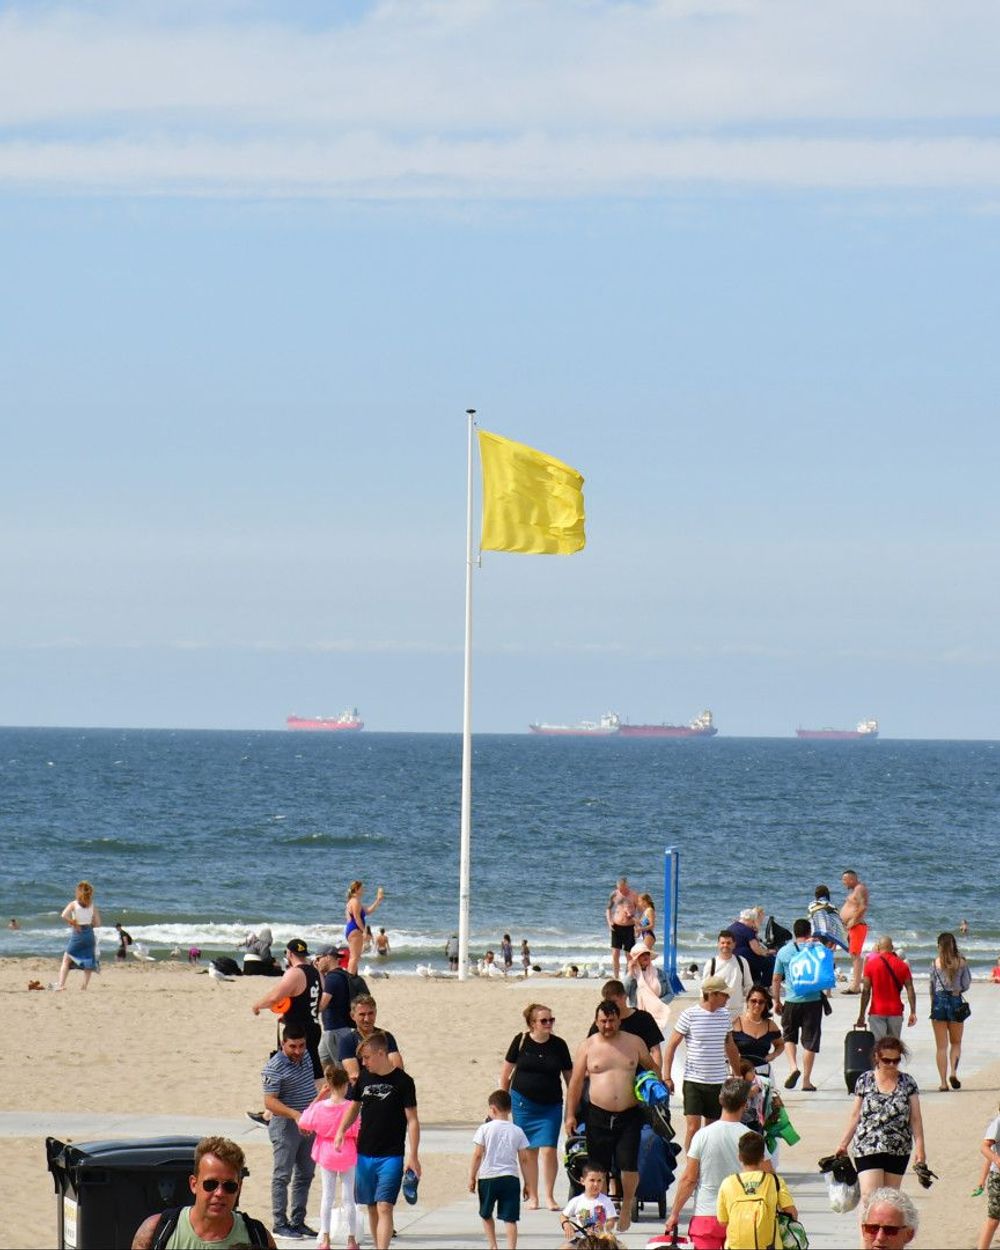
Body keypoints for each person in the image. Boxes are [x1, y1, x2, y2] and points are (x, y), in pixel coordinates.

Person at [564, 1000, 659, 1232]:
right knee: (599, 1169)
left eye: (612, 1020)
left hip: (629, 1114)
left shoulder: (634, 1043)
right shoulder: (587, 1046)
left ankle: (626, 1204)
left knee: (628, 1166)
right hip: (597, 1114)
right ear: (596, 1021)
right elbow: (575, 1084)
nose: (608, 1025)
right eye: (603, 1021)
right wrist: (570, 1116)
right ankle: (603, 1213)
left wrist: (654, 1084)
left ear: (619, 1020)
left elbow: (653, 1068)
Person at [333, 1031, 421, 1250]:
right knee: (371, 1206)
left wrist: (414, 1156)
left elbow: (412, 1120)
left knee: (385, 1206)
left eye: (367, 1058)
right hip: (364, 1153)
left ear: (381, 1053)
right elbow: (354, 1107)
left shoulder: (404, 1081)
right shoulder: (363, 1078)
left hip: (391, 1155)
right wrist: (341, 1130)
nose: (363, 1063)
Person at [130, 1135, 275, 1249]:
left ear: (239, 1188)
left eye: (229, 1186)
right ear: (194, 1184)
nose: (219, 1193)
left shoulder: (257, 1237)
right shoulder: (155, 1232)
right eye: (210, 1184)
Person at [663, 1077, 759, 1250]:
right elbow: (768, 1178)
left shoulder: (702, 1136)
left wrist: (675, 1213)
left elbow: (689, 1180)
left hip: (707, 1216)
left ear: (720, 1100)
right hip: (742, 1216)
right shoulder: (752, 1138)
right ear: (745, 1104)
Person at [500, 1002, 573, 1210]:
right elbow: (505, 1075)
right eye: (544, 1020)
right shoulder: (521, 1041)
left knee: (549, 1149)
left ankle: (549, 1195)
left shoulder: (559, 1044)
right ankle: (533, 1195)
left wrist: (573, 1105)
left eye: (551, 1020)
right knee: (528, 1150)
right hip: (523, 1103)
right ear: (532, 1023)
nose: (549, 1023)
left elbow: (570, 1077)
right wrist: (503, 1104)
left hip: (551, 1105)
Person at [836, 1036, 926, 1201]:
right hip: (867, 1145)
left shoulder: (908, 1082)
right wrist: (843, 1144)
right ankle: (865, 1227)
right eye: (886, 1060)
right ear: (877, 1057)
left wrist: (920, 1148)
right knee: (869, 1197)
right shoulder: (865, 1080)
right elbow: (855, 1114)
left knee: (890, 1200)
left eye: (896, 1060)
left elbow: (915, 1118)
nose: (891, 1065)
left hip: (898, 1147)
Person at [662, 974, 742, 1151]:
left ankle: (707, 1162)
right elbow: (671, 1046)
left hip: (718, 1081)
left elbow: (731, 1046)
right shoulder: (690, 1015)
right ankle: (692, 1165)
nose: (728, 998)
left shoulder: (724, 1016)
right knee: (693, 1128)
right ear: (712, 994)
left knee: (712, 1128)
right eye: (724, 994)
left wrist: (737, 1074)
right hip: (693, 1081)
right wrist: (667, 1076)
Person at [260, 1023, 318, 1240]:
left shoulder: (307, 1056)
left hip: (308, 1123)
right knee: (282, 1175)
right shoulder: (273, 1067)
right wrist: (294, 1114)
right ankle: (280, 1223)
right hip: (285, 1125)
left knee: (305, 1174)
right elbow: (269, 1102)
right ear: (283, 1043)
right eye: (293, 1046)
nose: (298, 1051)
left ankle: (298, 1221)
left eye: (302, 1045)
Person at [298, 1063, 360, 1250]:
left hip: (326, 1151)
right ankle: (352, 1239)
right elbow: (357, 1130)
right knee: (349, 1197)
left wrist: (319, 1096)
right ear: (344, 1085)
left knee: (327, 1196)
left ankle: (325, 1237)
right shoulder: (351, 1107)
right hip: (347, 1150)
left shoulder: (320, 1107)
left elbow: (304, 1121)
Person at [251, 938, 323, 1085]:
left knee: (290, 1071)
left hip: (298, 1032)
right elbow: (311, 1000)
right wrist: (287, 1014)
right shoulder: (317, 973)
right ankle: (319, 1103)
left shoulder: (295, 973)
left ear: (289, 954)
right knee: (313, 1068)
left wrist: (257, 1006)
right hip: (314, 1026)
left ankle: (284, 1105)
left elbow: (274, 998)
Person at [469, 1088, 530, 1250]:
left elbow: (477, 1155)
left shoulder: (484, 1129)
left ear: (493, 1109)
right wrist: (528, 1183)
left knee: (486, 1213)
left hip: (488, 1176)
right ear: (510, 1109)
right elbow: (524, 1159)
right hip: (510, 1177)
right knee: (510, 1218)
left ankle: (493, 1245)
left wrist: (471, 1177)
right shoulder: (517, 1131)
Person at [716, 1130, 796, 1250]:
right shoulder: (775, 1181)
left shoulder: (728, 1183)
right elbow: (792, 1213)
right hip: (770, 1245)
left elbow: (722, 1221)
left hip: (736, 1246)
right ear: (763, 1157)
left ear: (740, 1157)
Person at [772, 919, 826, 1092]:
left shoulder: (784, 951)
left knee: (789, 1036)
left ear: (794, 933)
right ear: (809, 932)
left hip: (792, 1000)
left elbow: (776, 978)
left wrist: (776, 1000)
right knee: (810, 1041)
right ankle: (806, 1081)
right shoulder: (816, 948)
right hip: (813, 1001)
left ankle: (793, 1067)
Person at [587, 978, 665, 1071]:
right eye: (608, 1002)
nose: (611, 1006)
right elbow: (589, 1050)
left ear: (624, 997)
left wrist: (655, 1078)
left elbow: (655, 1051)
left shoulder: (644, 1019)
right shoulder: (603, 1022)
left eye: (614, 1002)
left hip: (640, 1076)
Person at [930, 929, 971, 1090]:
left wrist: (933, 1003)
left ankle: (942, 1083)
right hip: (955, 1001)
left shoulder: (935, 963)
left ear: (939, 946)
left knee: (941, 1046)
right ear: (954, 944)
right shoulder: (961, 962)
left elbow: (932, 986)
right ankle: (953, 1072)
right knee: (956, 1042)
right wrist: (958, 990)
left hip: (939, 1002)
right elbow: (966, 983)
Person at [316, 945, 368, 1068]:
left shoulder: (332, 978)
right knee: (324, 1062)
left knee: (343, 1068)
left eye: (318, 959)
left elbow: (321, 1006)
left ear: (328, 957)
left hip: (335, 1030)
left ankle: (347, 1087)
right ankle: (330, 1086)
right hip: (338, 1028)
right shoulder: (342, 974)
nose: (316, 962)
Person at [857, 936, 917, 1041]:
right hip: (895, 1012)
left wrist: (861, 1015)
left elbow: (866, 991)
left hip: (877, 1011)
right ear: (892, 947)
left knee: (879, 1047)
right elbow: (910, 989)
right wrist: (913, 1012)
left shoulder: (870, 965)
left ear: (878, 948)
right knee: (893, 1047)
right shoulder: (902, 965)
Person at [338, 994, 404, 1081]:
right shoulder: (347, 1041)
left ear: (375, 1013)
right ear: (352, 1016)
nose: (367, 1019)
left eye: (370, 1013)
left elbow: (398, 1068)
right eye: (362, 1014)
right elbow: (354, 1076)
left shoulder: (386, 1037)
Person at [56, 881, 101, 990]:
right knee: (88, 961)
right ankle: (84, 986)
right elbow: (98, 923)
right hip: (89, 934)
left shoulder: (74, 904)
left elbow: (63, 915)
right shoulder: (92, 905)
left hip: (78, 934)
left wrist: (73, 923)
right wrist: (90, 924)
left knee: (67, 959)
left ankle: (61, 985)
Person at [559, 1161, 617, 1246]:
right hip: (581, 1239)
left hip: (600, 1239)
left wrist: (604, 1227)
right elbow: (563, 1216)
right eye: (592, 1180)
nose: (596, 1184)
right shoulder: (577, 1201)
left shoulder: (606, 1201)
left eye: (599, 1180)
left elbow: (611, 1221)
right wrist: (566, 1224)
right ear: (582, 1181)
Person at [729, 986, 783, 1073]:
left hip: (763, 1072)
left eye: (761, 1002)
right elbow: (726, 1045)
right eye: (753, 1001)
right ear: (747, 1002)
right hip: (741, 1071)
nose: (757, 1005)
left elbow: (780, 1044)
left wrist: (773, 1055)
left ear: (765, 1004)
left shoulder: (770, 1024)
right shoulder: (736, 1022)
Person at [625, 943, 672, 1035]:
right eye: (642, 955)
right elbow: (623, 992)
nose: (645, 956)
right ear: (636, 958)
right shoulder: (632, 975)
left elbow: (670, 993)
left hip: (657, 1014)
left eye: (647, 953)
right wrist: (630, 972)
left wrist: (657, 1003)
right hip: (637, 1015)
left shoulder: (660, 973)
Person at [702, 930, 753, 1008]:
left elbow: (748, 986)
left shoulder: (742, 962)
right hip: (717, 1010)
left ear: (734, 944)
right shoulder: (711, 963)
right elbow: (704, 989)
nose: (725, 945)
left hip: (736, 1009)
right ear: (718, 944)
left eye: (728, 943)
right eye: (722, 943)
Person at [345, 880, 384, 975]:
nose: (364, 890)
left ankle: (352, 977)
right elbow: (357, 918)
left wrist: (378, 900)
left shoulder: (356, 901)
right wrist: (364, 932)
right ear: (357, 889)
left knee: (355, 957)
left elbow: (368, 911)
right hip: (355, 930)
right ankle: (350, 979)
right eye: (362, 888)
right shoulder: (355, 902)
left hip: (352, 929)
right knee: (354, 957)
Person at [841, 869, 870, 994]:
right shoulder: (856, 890)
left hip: (856, 927)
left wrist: (853, 920)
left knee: (855, 955)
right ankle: (855, 984)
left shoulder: (860, 889)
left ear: (851, 879)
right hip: (852, 927)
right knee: (854, 955)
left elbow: (863, 906)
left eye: (844, 880)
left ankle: (856, 986)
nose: (843, 883)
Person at [727, 909, 775, 985]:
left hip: (733, 958)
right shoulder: (747, 930)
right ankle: (765, 986)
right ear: (749, 920)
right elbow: (757, 950)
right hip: (746, 959)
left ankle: (756, 982)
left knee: (759, 961)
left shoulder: (730, 928)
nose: (753, 924)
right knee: (772, 961)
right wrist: (768, 952)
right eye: (753, 921)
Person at [605, 876, 640, 978]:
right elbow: (608, 909)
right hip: (616, 927)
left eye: (623, 888)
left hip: (629, 927)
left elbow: (639, 911)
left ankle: (629, 976)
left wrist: (637, 926)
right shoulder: (614, 894)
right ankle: (616, 976)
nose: (621, 891)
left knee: (629, 954)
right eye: (619, 888)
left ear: (626, 885)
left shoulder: (633, 895)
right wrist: (609, 921)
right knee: (615, 954)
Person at [976, 1103, 1000, 1248]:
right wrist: (982, 1180)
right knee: (994, 1218)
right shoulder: (998, 1122)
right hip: (998, 1178)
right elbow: (985, 1148)